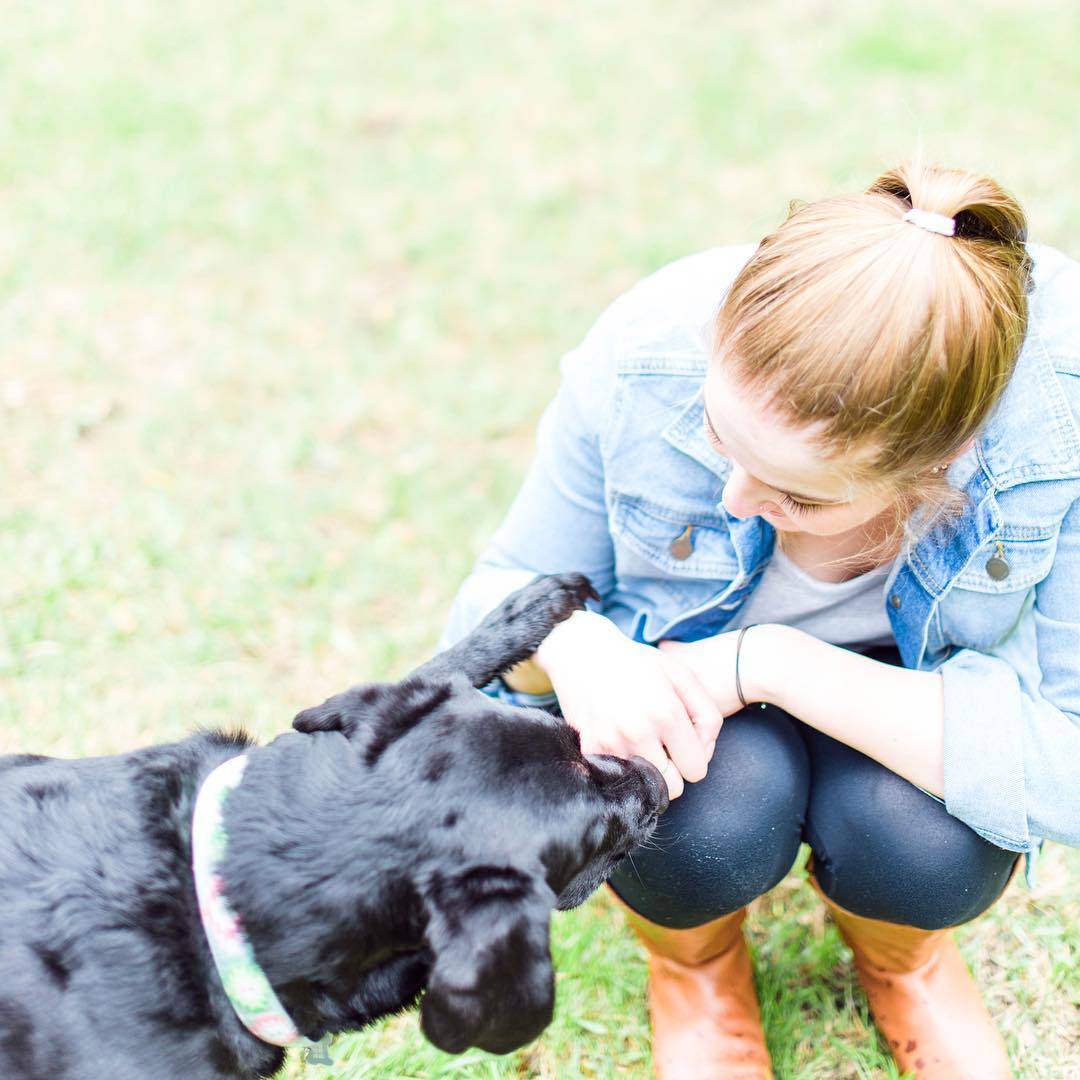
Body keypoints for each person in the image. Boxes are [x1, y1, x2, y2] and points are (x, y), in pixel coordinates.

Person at [436, 158, 1080, 1080]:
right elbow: (492, 603)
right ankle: (694, 972)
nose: (738, 500)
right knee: (699, 826)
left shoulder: (1058, 418)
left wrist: (770, 661)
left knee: (931, 846)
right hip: (700, 707)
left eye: (798, 495)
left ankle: (904, 962)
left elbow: (1069, 766)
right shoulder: (651, 345)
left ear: (941, 466)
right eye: (717, 435)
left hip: (903, 693)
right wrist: (575, 646)